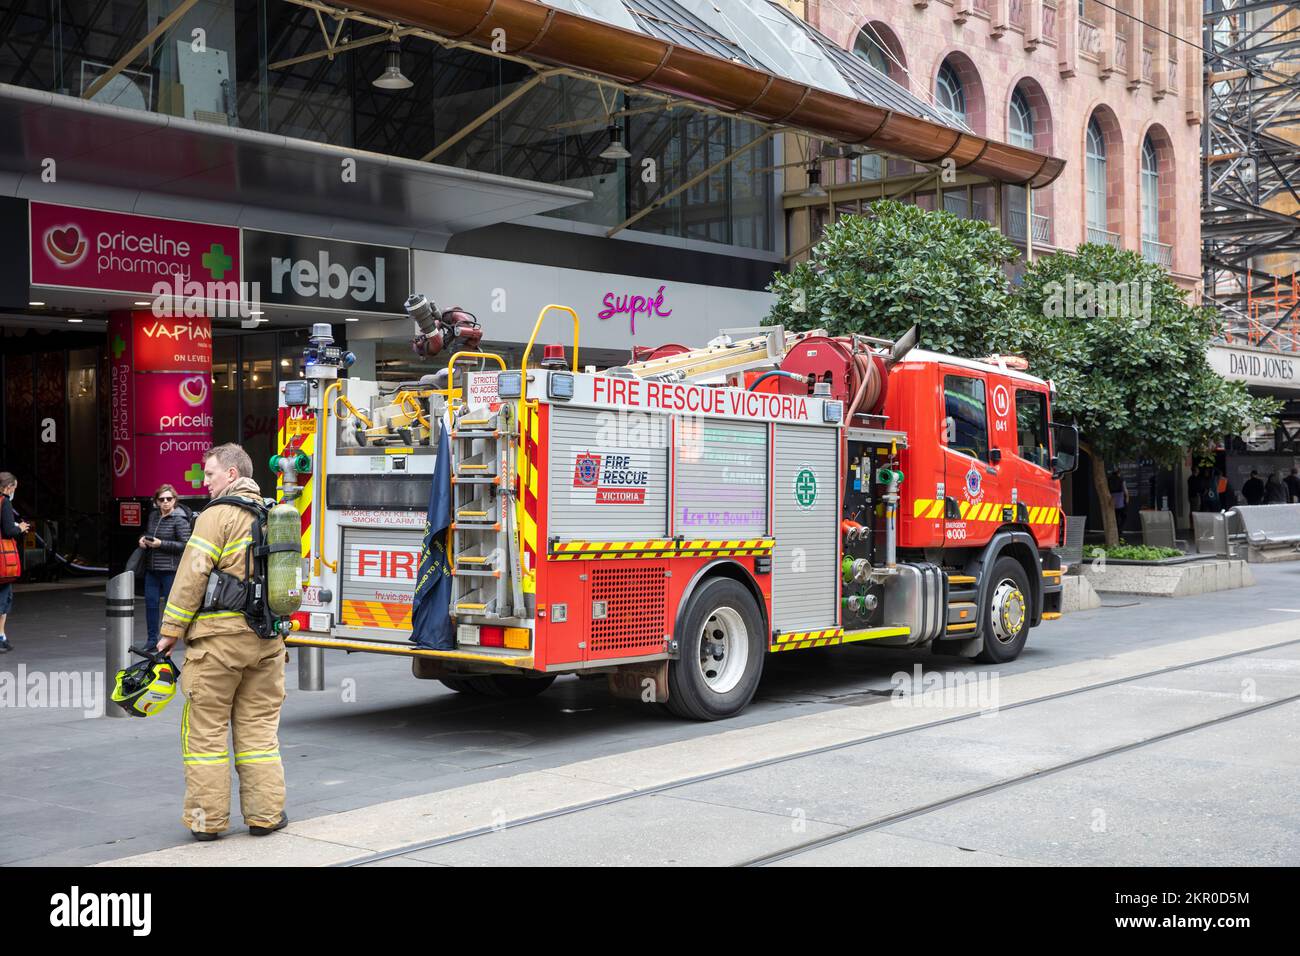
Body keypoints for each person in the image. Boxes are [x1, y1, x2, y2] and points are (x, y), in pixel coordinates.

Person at [156, 444, 289, 841]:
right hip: (268, 643)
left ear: (232, 474)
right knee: (259, 735)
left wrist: (169, 632)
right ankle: (266, 816)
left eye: (210, 472)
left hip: (219, 644)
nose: (205, 479)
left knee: (206, 734)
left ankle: (207, 823)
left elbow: (192, 575)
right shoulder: (273, 513)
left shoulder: (216, 516)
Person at [140, 484, 192, 653]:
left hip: (170, 570)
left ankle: (169, 638)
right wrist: (142, 540)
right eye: (161, 499)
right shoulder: (154, 516)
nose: (166, 502)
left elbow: (185, 545)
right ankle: (151, 640)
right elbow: (147, 533)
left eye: (169, 499)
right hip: (152, 569)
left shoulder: (180, 518)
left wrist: (160, 544)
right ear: (156, 502)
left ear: (175, 500)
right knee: (151, 604)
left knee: (171, 607)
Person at [0, 472, 31, 653]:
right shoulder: (5, 502)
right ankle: (1, 635)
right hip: (2, 559)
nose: (13, 492)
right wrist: (20, 527)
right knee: (4, 596)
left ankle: (2, 635)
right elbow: (8, 530)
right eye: (14, 488)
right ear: (9, 487)